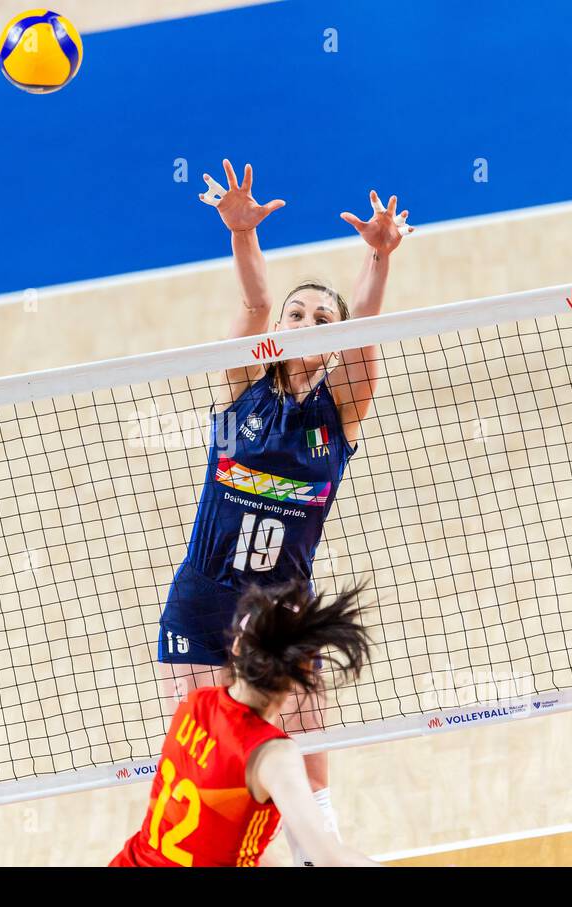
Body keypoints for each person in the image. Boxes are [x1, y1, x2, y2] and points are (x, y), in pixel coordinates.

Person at [156, 158, 410, 864]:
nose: (305, 323)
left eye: (320, 318)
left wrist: (377, 259)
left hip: (282, 615)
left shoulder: (341, 410)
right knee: (213, 781)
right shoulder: (243, 393)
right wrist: (243, 237)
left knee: (308, 770)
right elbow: (253, 304)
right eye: (296, 314)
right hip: (203, 607)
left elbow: (363, 335)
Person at [116, 579, 378, 867]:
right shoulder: (272, 755)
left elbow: (224, 841)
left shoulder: (194, 705)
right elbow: (328, 858)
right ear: (305, 668)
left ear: (238, 646)